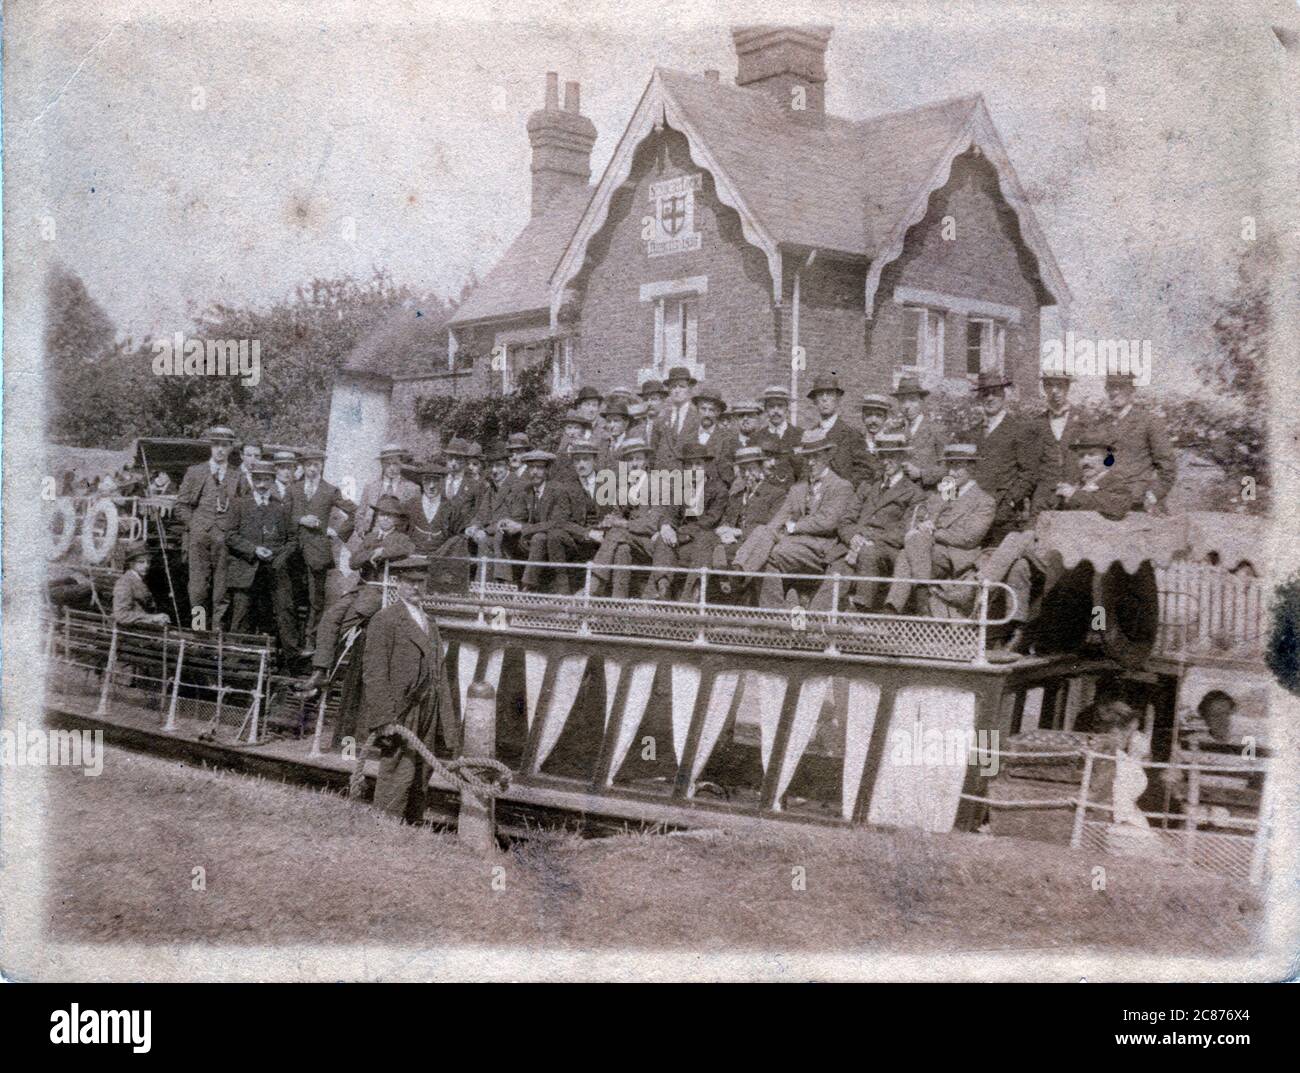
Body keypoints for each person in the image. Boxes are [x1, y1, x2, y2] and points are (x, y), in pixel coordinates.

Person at [978, 433, 1128, 659]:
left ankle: (982, 584)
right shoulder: (1076, 485)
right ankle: (1019, 629)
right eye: (1081, 456)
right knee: (1019, 566)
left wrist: (1075, 495)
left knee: (1015, 540)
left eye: (1092, 455)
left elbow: (1117, 508)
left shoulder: (1115, 482)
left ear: (1106, 458)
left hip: (1087, 558)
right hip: (1059, 554)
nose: (1085, 461)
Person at [360, 555, 454, 822]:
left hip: (429, 708)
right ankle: (386, 826)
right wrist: (384, 718)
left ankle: (412, 825)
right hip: (402, 710)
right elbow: (374, 672)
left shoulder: (430, 623)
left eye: (421, 582)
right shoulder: (385, 620)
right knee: (398, 768)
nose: (416, 587)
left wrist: (447, 723)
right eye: (410, 582)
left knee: (422, 770)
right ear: (398, 583)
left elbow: (439, 674)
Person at [296, 495, 415, 698]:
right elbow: (353, 561)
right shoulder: (370, 537)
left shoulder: (401, 538)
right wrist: (371, 553)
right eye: (382, 514)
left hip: (380, 591)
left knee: (344, 624)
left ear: (396, 519)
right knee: (330, 617)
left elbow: (406, 549)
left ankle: (323, 673)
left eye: (389, 515)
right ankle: (319, 672)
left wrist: (382, 551)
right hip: (361, 588)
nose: (384, 518)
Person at [814, 432, 924, 612]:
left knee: (868, 553)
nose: (886, 461)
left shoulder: (914, 492)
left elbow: (904, 532)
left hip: (886, 550)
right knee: (837, 573)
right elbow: (846, 521)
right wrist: (854, 537)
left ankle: (861, 611)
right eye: (882, 456)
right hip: (854, 546)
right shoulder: (867, 486)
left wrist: (868, 538)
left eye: (892, 456)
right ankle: (813, 627)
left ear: (902, 458)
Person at [883, 444, 995, 616]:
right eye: (950, 466)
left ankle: (897, 606)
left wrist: (932, 532)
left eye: (958, 467)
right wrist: (925, 524)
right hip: (927, 550)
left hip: (956, 555)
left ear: (972, 467)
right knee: (911, 549)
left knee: (909, 551)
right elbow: (921, 515)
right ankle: (913, 603)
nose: (951, 473)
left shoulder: (984, 501)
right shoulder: (946, 492)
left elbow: (969, 538)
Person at [752, 428, 857, 608]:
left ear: (827, 456)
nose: (811, 462)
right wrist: (768, 534)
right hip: (794, 546)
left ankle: (741, 579)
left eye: (816, 456)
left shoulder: (841, 486)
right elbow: (779, 519)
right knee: (763, 536)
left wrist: (793, 527)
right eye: (807, 457)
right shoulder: (798, 488)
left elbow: (828, 522)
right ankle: (774, 616)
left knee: (770, 553)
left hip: (821, 547)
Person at [689, 444, 784, 598]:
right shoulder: (737, 496)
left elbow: (771, 528)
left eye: (751, 468)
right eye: (742, 470)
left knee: (720, 552)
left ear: (761, 469)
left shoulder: (776, 494)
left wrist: (738, 532)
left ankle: (709, 587)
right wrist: (723, 530)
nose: (747, 474)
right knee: (705, 539)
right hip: (730, 541)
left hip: (752, 544)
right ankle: (696, 589)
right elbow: (726, 519)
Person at [225, 462, 299, 654]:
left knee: (285, 611)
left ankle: (290, 659)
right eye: (257, 479)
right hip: (246, 568)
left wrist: (279, 558)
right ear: (252, 480)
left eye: (266, 479)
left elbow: (292, 540)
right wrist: (254, 549)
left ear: (272, 481)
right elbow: (230, 536)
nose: (262, 484)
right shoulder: (239, 504)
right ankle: (234, 662)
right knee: (241, 615)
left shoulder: (281, 508)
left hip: (274, 569)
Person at [174, 425, 243, 630]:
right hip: (199, 537)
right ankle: (198, 630)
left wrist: (231, 531)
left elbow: (242, 507)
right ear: (210, 447)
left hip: (224, 539)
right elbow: (181, 505)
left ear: (231, 448)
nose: (220, 450)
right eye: (216, 445)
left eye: (224, 445)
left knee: (221, 590)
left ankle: (217, 632)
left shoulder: (237, 475)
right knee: (198, 589)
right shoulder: (195, 472)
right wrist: (195, 526)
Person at [289, 447, 357, 649]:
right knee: (290, 598)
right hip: (293, 551)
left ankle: (311, 642)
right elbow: (283, 516)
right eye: (308, 465)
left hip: (318, 552)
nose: (312, 469)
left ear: (322, 466)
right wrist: (302, 519)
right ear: (303, 466)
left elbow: (355, 511)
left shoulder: (330, 490)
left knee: (315, 600)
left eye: (316, 465)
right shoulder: (294, 489)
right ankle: (291, 643)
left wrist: (339, 533)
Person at [651, 442, 729, 600]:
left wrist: (679, 533)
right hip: (682, 539)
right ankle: (663, 588)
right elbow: (669, 512)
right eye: (689, 465)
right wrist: (666, 527)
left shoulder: (719, 489)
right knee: (662, 539)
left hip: (705, 537)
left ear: (706, 465)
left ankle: (690, 598)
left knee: (702, 541)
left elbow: (710, 520)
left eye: (698, 464)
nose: (694, 469)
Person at [970, 371, 1039, 545]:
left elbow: (1029, 474)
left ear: (1004, 395)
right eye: (985, 393)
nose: (990, 398)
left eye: (995, 392)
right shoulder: (973, 433)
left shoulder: (1018, 430)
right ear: (979, 397)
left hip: (1002, 517)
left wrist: (1009, 502)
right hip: (972, 513)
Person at [590, 439, 662, 598]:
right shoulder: (625, 486)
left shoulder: (657, 484)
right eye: (630, 460)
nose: (634, 464)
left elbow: (652, 525)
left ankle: (593, 586)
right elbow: (617, 513)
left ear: (647, 461)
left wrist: (621, 523)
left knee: (616, 533)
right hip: (628, 541)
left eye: (638, 458)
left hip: (650, 542)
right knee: (622, 549)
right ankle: (618, 605)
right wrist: (609, 520)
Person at [498, 450, 576, 593]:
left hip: (559, 541)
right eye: (531, 468)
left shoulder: (558, 490)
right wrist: (507, 523)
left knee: (539, 537)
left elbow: (557, 523)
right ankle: (507, 583)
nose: (534, 472)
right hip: (533, 541)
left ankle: (528, 586)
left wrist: (522, 527)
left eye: (539, 468)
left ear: (547, 470)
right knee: (505, 536)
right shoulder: (526, 490)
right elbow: (519, 516)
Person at [1103, 370, 1177, 512]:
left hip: (1137, 505)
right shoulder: (1101, 424)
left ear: (1132, 390)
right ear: (1106, 390)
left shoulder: (1149, 422)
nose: (1115, 392)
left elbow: (1168, 468)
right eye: (1111, 387)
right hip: (1104, 503)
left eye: (1121, 387)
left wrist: (1152, 496)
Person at [1029, 368, 1082, 513]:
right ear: (1044, 389)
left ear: (1068, 387)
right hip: (1044, 498)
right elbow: (1031, 464)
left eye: (1060, 386)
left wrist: (1079, 487)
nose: (1054, 391)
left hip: (1074, 495)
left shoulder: (1084, 420)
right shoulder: (1037, 423)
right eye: (1049, 386)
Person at [804, 372, 867, 485]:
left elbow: (865, 470)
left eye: (829, 394)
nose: (824, 399)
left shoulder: (851, 434)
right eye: (820, 394)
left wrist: (844, 489)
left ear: (838, 399)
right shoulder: (810, 436)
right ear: (814, 401)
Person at [893, 375, 945, 489]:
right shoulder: (895, 431)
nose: (907, 406)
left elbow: (947, 467)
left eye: (912, 400)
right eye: (902, 401)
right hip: (900, 494)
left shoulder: (936, 430)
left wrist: (921, 473)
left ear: (921, 401)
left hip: (926, 494)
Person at [356, 444, 419, 539]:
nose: (391, 468)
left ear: (401, 463)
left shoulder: (412, 488)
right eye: (387, 464)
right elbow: (360, 514)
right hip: (372, 537)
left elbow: (416, 519)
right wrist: (361, 531)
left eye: (395, 463)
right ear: (381, 464)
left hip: (398, 541)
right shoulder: (371, 487)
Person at [403, 461, 455, 555]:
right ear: (422, 481)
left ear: (443, 481)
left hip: (440, 559)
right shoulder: (410, 505)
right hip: (413, 558)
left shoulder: (450, 507)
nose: (432, 486)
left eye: (436, 480)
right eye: (427, 480)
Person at [112, 543, 170, 626]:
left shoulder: (141, 579)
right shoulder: (125, 583)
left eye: (148, 562)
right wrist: (152, 618)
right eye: (141, 562)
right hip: (133, 631)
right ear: (131, 563)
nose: (146, 566)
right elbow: (121, 615)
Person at [754, 384, 800, 484]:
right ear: (766, 409)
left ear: (787, 409)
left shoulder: (800, 435)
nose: (775, 411)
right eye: (771, 406)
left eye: (780, 406)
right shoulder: (756, 438)